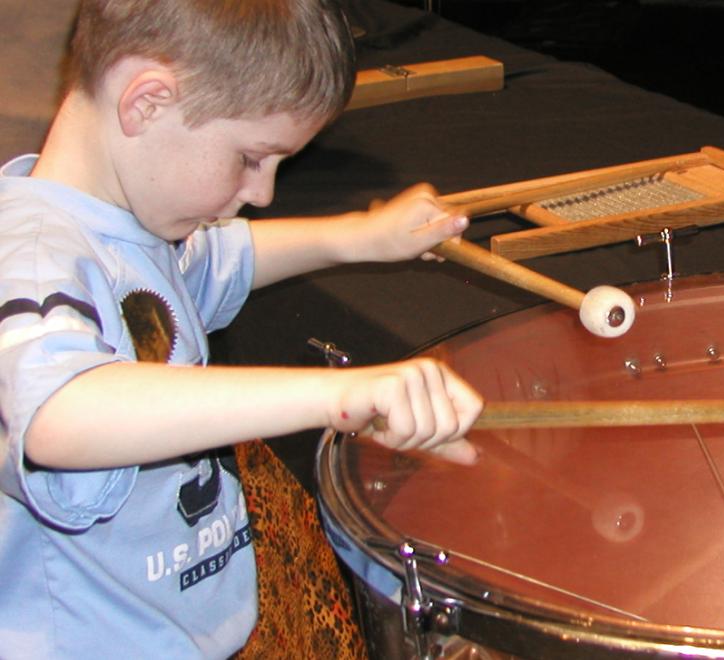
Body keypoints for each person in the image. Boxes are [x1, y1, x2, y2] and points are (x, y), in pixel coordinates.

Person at [0, 0, 484, 657]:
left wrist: (360, 236)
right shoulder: (30, 258)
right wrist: (339, 395)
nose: (262, 192)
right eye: (251, 157)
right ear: (146, 103)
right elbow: (61, 413)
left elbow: (223, 259)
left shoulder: (131, 225)